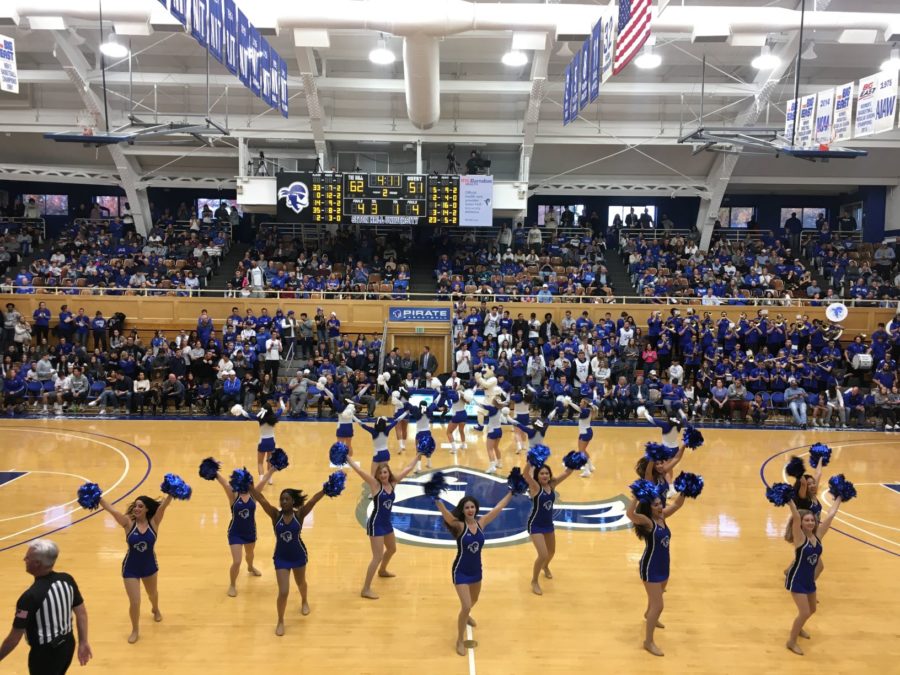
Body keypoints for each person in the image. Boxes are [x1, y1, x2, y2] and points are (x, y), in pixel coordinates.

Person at [434, 491, 514, 656]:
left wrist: (512, 492)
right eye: (467, 507)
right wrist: (436, 498)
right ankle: (459, 640)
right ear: (462, 510)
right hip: (460, 571)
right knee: (466, 605)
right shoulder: (459, 526)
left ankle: (466, 614)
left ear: (476, 509)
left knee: (473, 600)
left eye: (472, 507)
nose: (470, 510)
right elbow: (446, 514)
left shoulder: (481, 523)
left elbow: (498, 507)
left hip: (476, 570)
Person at [249, 480, 330, 635]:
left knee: (301, 583)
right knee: (284, 591)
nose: (284, 501)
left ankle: (304, 600)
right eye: (282, 499)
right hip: (281, 557)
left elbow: (312, 501)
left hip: (298, 555)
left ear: (293, 502)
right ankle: (280, 620)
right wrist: (250, 487)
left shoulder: (299, 515)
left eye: (287, 499)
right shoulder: (275, 515)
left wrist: (325, 490)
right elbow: (262, 500)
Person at [0, 539, 92, 673]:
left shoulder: (29, 597)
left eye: (28, 557)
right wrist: (83, 642)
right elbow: (81, 613)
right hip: (67, 646)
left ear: (37, 563)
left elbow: (14, 638)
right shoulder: (67, 580)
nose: (24, 559)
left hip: (45, 655)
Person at [98, 493, 176, 643]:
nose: (136, 508)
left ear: (147, 509)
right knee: (135, 602)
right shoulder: (128, 522)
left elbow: (163, 507)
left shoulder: (154, 522)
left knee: (152, 594)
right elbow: (112, 510)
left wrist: (171, 494)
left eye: (140, 506)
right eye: (135, 505)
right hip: (131, 568)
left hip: (149, 566)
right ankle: (135, 629)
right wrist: (98, 498)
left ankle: (155, 608)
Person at [345, 454, 421, 599]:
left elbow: (408, 468)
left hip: (386, 522)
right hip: (376, 524)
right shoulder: (375, 485)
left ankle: (382, 570)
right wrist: (348, 458)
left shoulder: (393, 483)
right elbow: (359, 471)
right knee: (377, 556)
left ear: (388, 472)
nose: (383, 475)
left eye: (385, 472)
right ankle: (365, 589)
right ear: (378, 476)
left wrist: (418, 456)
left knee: (392, 549)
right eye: (380, 473)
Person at [625, 489, 690, 657]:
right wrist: (635, 497)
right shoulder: (647, 522)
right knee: (659, 605)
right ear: (649, 508)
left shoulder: (662, 517)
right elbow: (630, 514)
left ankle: (649, 614)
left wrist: (686, 489)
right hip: (651, 567)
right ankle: (648, 642)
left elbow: (677, 504)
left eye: (660, 503)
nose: (660, 506)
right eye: (656, 505)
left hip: (664, 565)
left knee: (658, 595)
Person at [784, 495, 844, 655]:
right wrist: (790, 501)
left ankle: (799, 627)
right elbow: (795, 516)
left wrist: (840, 496)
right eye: (807, 520)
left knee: (812, 609)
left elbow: (831, 515)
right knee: (804, 612)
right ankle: (791, 642)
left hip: (809, 580)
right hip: (797, 579)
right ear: (801, 524)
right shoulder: (799, 537)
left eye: (812, 520)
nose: (810, 522)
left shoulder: (818, 536)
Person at [211, 464, 276, 597]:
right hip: (235, 532)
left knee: (250, 554)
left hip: (250, 531)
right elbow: (224, 483)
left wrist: (273, 469)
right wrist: (215, 473)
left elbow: (264, 480)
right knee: (237, 561)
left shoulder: (253, 495)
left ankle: (250, 567)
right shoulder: (233, 496)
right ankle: (232, 585)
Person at [522, 462, 574, 595]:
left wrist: (575, 461)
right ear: (537, 476)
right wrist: (530, 461)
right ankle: (534, 581)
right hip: (535, 524)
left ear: (550, 475)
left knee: (551, 552)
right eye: (542, 473)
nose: (544, 475)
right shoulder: (535, 487)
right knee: (543, 554)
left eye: (546, 473)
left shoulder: (552, 485)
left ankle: (545, 566)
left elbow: (567, 472)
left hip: (548, 524)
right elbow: (525, 474)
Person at [238, 400, 285, 484]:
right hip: (271, 442)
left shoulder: (259, 417)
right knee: (269, 462)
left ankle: (261, 481)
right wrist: (281, 401)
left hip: (262, 442)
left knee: (260, 463)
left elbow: (246, 414)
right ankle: (270, 480)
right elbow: (282, 408)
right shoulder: (274, 416)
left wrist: (240, 409)